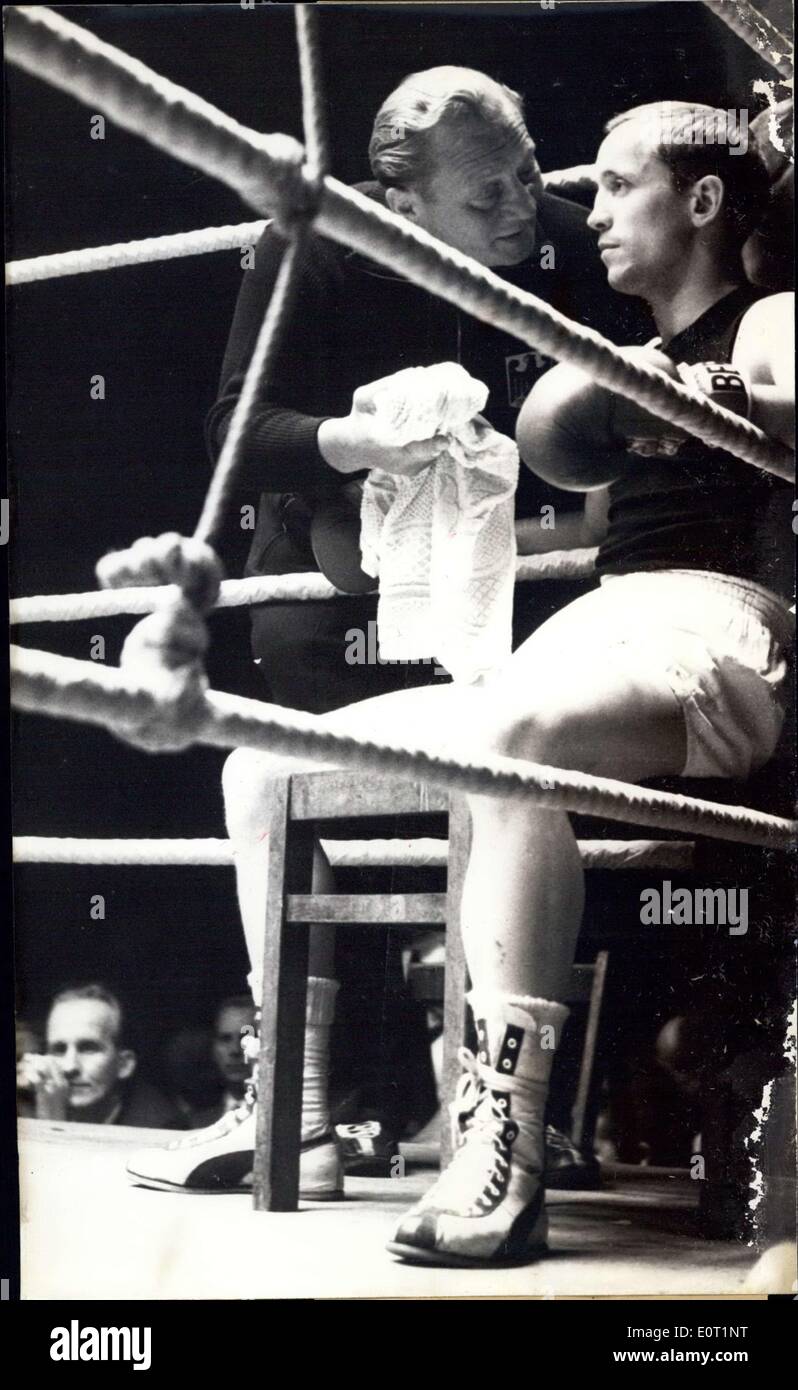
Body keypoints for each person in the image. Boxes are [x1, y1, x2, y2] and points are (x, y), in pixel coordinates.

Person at [211, 98, 792, 1267]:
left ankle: (502, 1143)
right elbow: (558, 471)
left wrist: (708, 399)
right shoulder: (619, 356)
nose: (590, 209)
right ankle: (304, 1107)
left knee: (513, 732)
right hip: (594, 634)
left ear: (705, 202)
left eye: (618, 185)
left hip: (725, 630)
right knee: (264, 765)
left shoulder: (770, 314)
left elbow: (784, 394)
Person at [127, 65, 639, 1199]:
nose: (519, 209)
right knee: (281, 787)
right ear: (403, 203)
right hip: (326, 590)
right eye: (483, 198)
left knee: (519, 782)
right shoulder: (309, 244)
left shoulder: (566, 237)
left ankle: (503, 1105)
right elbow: (233, 428)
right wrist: (352, 447)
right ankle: (300, 1106)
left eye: (521, 175)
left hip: (515, 583)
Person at [17, 984, 184, 1129]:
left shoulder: (159, 1126)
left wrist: (51, 1123)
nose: (70, 1067)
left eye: (88, 1049)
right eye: (59, 1050)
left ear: (124, 1065)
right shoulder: (37, 1096)